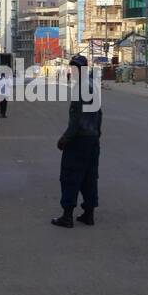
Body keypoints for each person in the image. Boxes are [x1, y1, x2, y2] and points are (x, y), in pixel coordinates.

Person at [51, 56, 102, 229]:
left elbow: (76, 121)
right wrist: (96, 135)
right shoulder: (92, 86)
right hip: (92, 140)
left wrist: (64, 140)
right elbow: (99, 114)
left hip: (79, 140)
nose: (73, 71)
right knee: (89, 177)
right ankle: (89, 214)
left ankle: (67, 216)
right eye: (72, 67)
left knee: (70, 176)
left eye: (76, 68)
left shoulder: (80, 88)